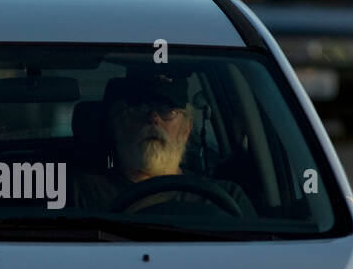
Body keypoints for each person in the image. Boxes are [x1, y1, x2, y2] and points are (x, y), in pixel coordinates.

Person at [73, 70, 255, 216]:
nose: (153, 119)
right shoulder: (77, 195)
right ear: (117, 124)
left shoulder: (226, 199)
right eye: (141, 108)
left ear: (186, 128)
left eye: (167, 110)